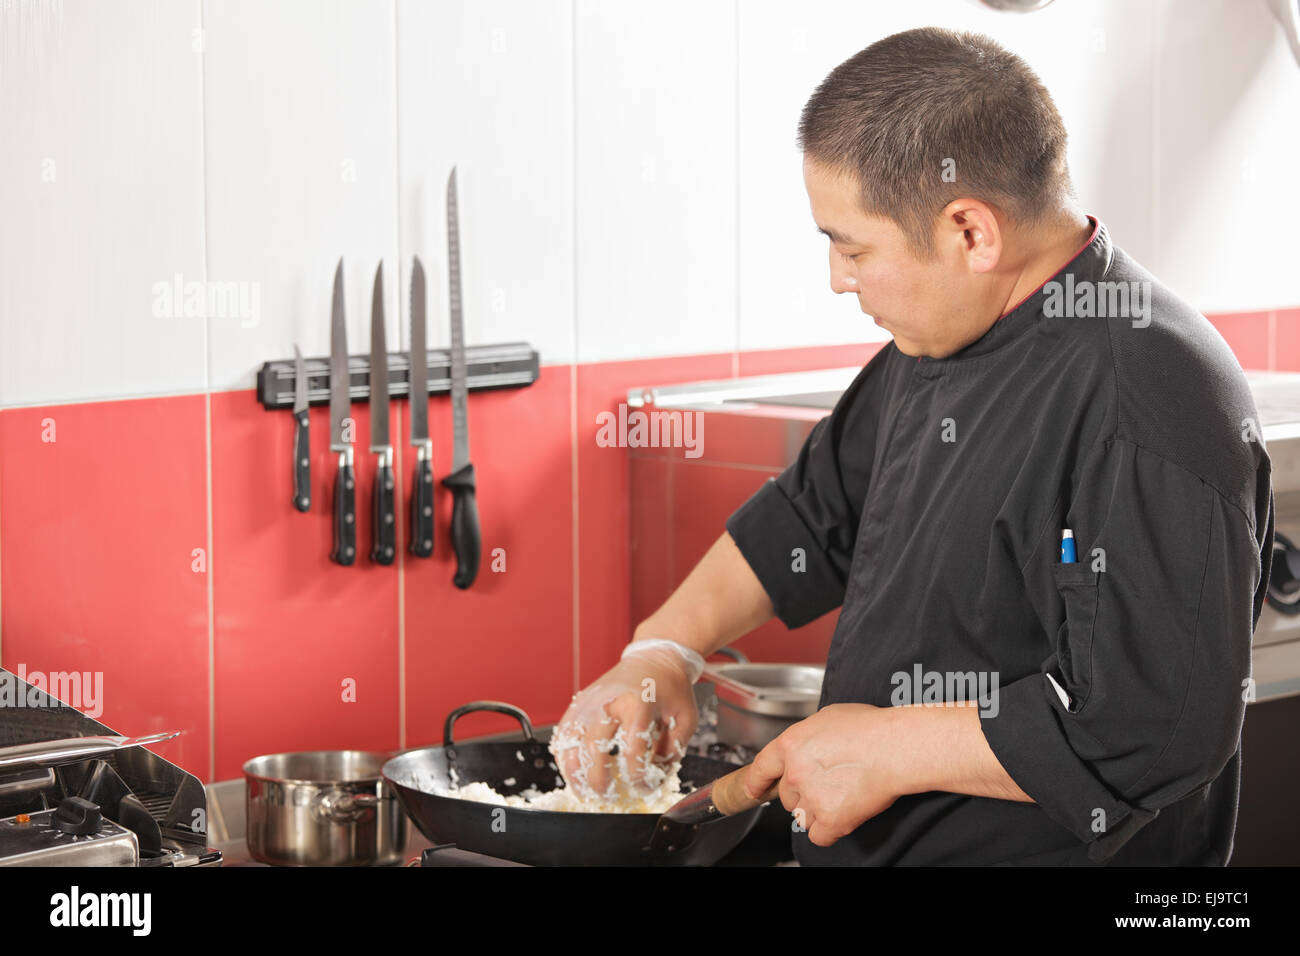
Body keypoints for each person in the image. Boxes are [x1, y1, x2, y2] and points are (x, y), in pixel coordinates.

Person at [553, 26, 1274, 865]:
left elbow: (1150, 727)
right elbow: (813, 515)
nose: (838, 279)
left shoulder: (1149, 392)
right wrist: (663, 648)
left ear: (972, 232)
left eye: (852, 247)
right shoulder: (939, 338)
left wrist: (888, 748)